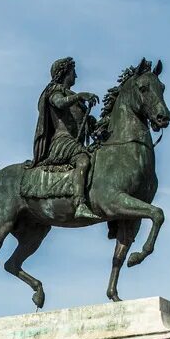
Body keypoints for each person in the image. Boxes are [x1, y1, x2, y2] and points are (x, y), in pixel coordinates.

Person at [28, 57, 101, 220]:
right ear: (64, 73)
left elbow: (85, 124)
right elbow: (59, 103)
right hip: (62, 142)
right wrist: (80, 96)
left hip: (74, 143)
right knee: (83, 160)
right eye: (73, 72)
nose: (76, 76)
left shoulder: (73, 97)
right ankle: (79, 204)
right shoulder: (54, 91)